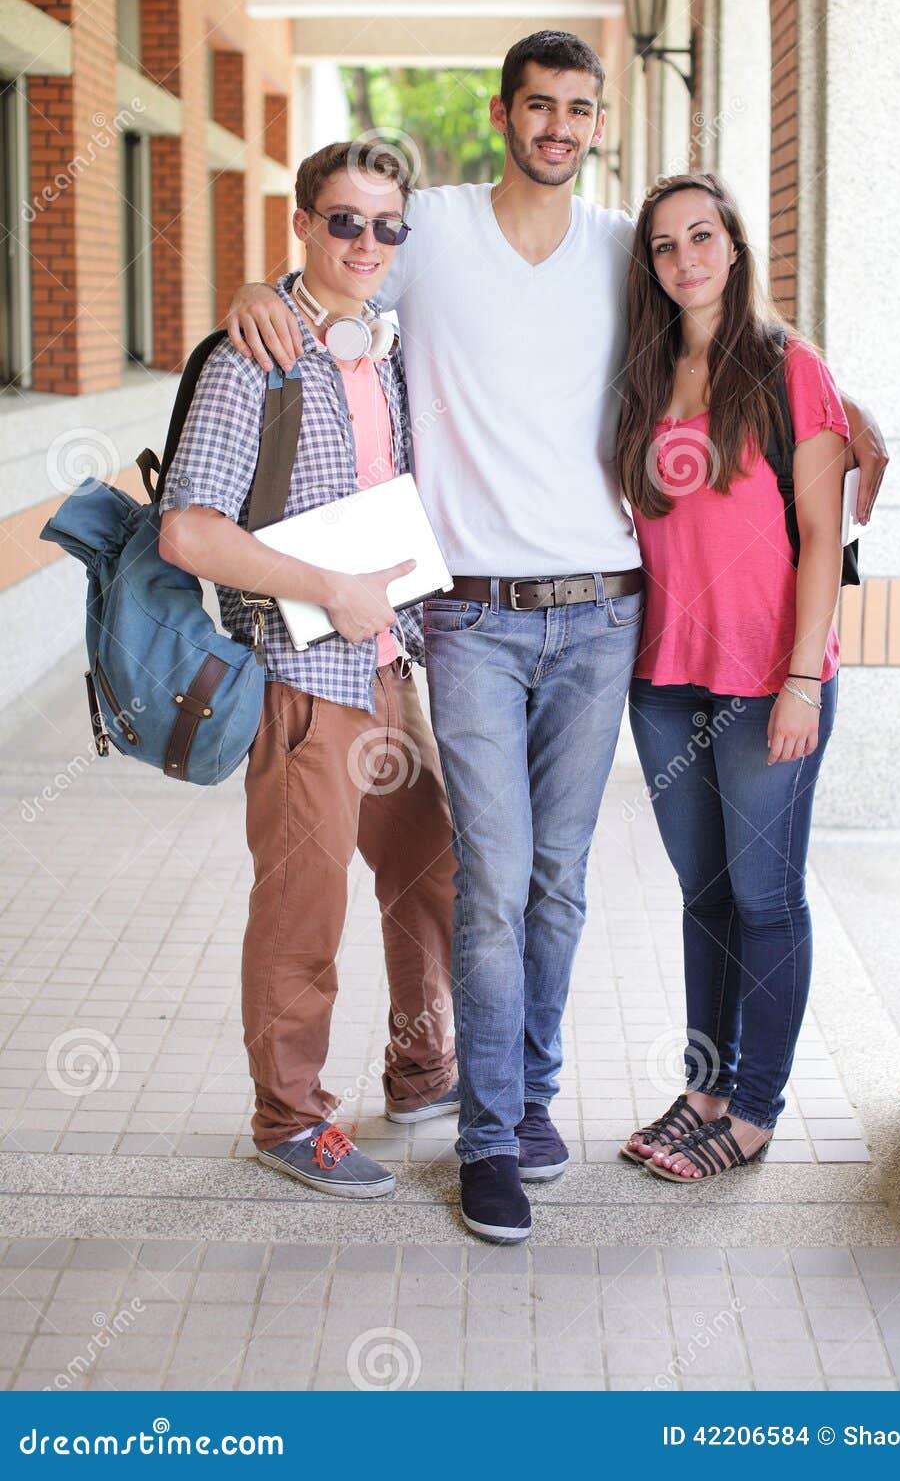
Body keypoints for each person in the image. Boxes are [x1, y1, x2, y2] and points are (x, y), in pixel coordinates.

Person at [224, 31, 888, 1242]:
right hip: (472, 618)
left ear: (594, 124)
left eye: (580, 109)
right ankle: (487, 1139)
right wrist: (258, 302)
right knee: (490, 882)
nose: (560, 126)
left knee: (558, 882)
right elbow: (334, 272)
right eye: (539, 106)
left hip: (603, 618)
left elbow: (733, 336)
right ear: (501, 113)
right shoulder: (427, 234)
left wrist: (840, 407)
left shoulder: (621, 249)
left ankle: (532, 1097)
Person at [157, 141, 458, 1198]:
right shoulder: (254, 357)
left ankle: (422, 1072)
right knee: (303, 906)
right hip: (301, 685)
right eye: (343, 221)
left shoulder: (384, 351)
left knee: (430, 879)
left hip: (388, 671)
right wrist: (330, 590)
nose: (365, 244)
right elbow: (188, 533)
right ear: (301, 224)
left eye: (386, 226)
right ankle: (289, 1117)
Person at [618, 172, 846, 1182]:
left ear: (734, 244)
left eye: (700, 236)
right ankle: (703, 1089)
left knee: (763, 896)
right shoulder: (643, 372)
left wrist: (802, 677)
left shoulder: (790, 369)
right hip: (665, 676)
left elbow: (817, 537)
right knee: (702, 892)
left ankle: (752, 1112)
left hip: (766, 681)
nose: (685, 259)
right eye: (664, 246)